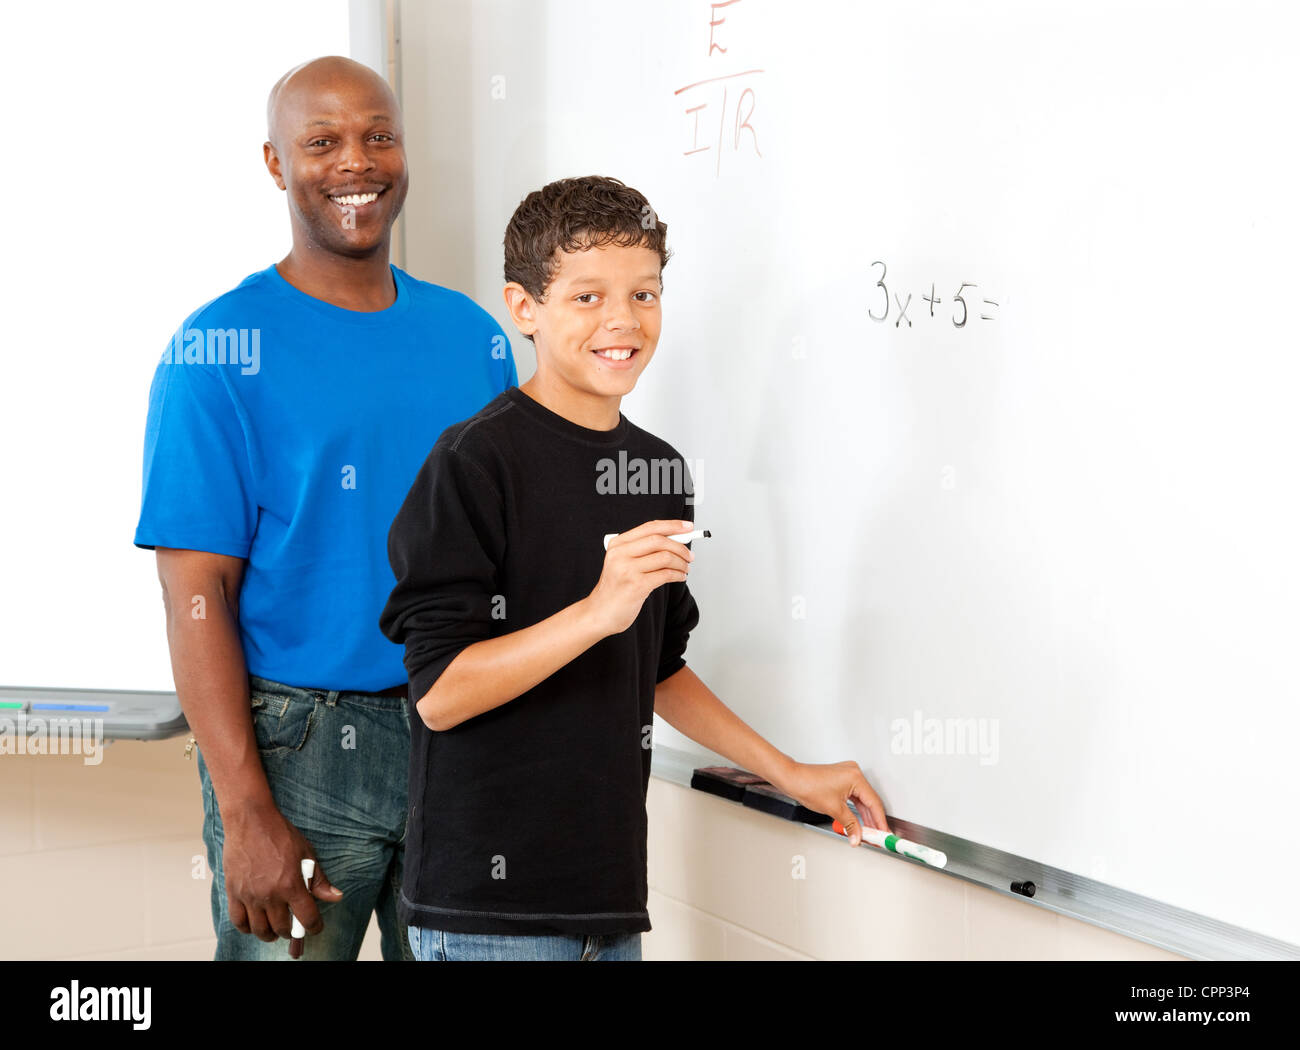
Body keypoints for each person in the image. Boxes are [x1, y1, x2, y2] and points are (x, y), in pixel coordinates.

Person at [379, 175, 889, 961]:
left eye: (644, 294)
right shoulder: (473, 463)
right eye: (587, 298)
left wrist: (790, 774)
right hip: (492, 915)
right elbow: (441, 697)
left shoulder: (659, 470)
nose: (623, 321)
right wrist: (596, 611)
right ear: (525, 310)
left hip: (609, 901)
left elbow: (657, 668)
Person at [133, 56, 517, 960]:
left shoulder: (476, 338)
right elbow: (196, 596)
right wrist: (246, 810)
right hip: (298, 752)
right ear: (274, 164)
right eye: (322, 142)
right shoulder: (216, 350)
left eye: (378, 136)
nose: (357, 162)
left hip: (459, 734)